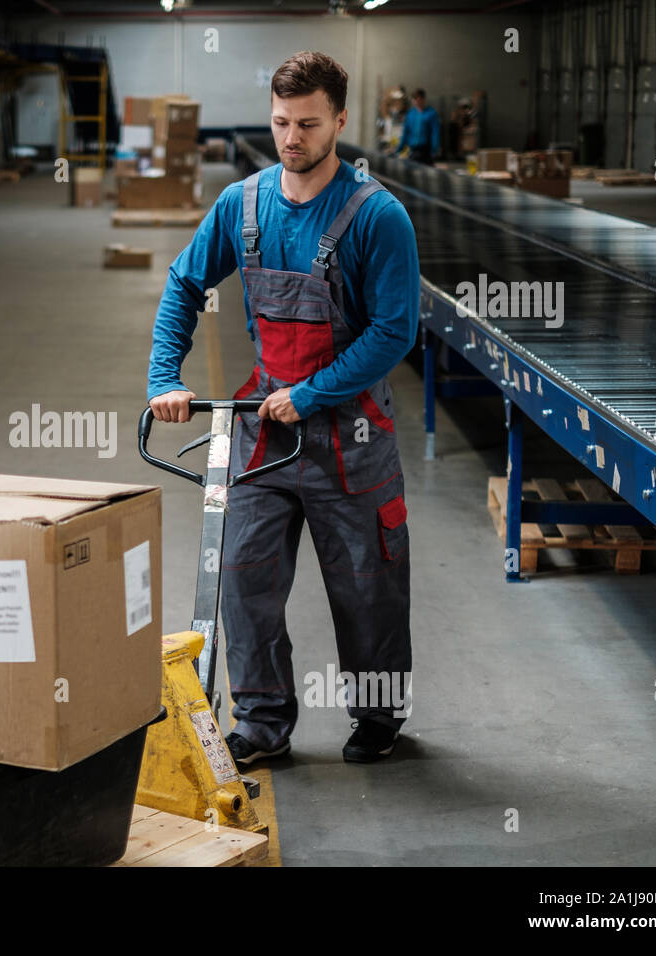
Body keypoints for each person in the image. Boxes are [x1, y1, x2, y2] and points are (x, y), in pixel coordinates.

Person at [146, 51, 418, 766]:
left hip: (352, 437)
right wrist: (161, 379)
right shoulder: (242, 204)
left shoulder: (377, 217)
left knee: (368, 587)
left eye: (306, 124)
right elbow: (183, 284)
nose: (290, 138)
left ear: (339, 122)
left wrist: (311, 394)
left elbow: (395, 331)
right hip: (265, 433)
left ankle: (378, 716)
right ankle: (263, 726)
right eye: (279, 122)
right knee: (244, 578)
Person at [400, 88, 440, 165]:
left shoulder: (431, 113)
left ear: (423, 99)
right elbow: (405, 132)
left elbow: (435, 133)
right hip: (413, 150)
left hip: (426, 151)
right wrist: (400, 148)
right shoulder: (410, 114)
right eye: (414, 99)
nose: (416, 101)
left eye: (418, 99)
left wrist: (434, 150)